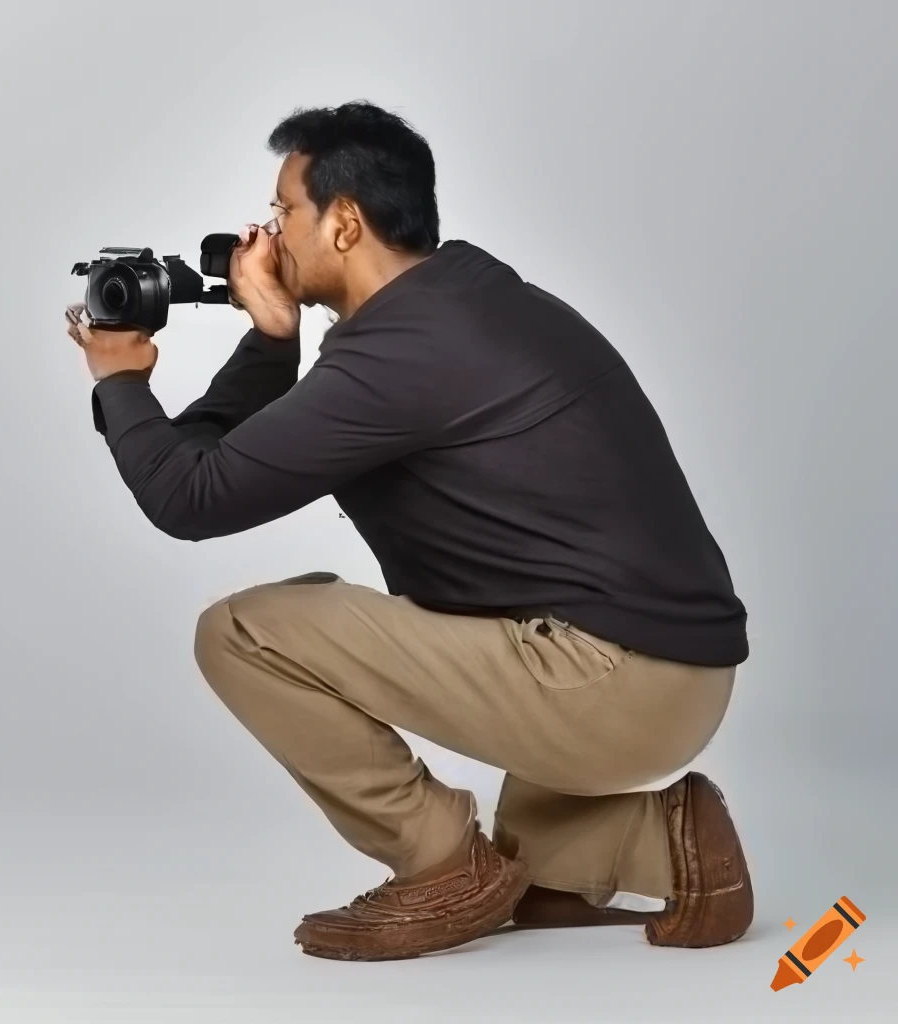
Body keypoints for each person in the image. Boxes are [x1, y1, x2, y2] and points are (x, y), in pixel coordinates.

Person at [64, 100, 753, 962]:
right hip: (656, 673)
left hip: (608, 677)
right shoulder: (456, 305)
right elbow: (212, 466)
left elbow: (189, 499)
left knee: (241, 634)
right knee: (528, 865)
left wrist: (118, 380)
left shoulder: (400, 356)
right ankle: (672, 837)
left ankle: (440, 867)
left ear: (345, 223)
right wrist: (273, 344)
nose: (268, 237)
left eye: (284, 213)